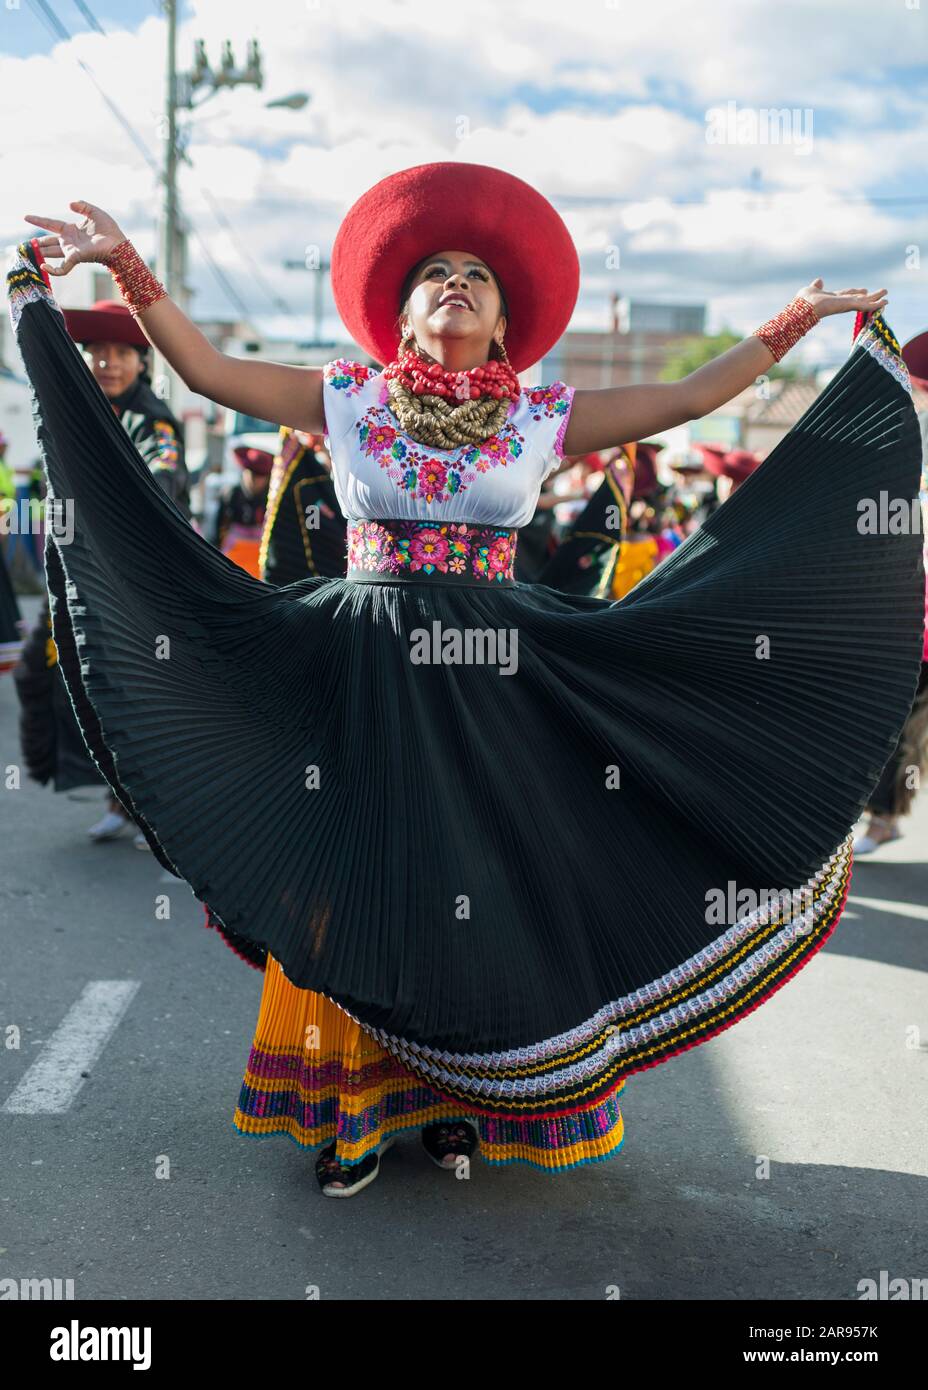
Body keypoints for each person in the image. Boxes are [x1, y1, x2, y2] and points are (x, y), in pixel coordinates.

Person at [11, 162, 923, 1198]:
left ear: (503, 324)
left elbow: (688, 396)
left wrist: (799, 317)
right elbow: (210, 370)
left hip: (494, 681)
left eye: (477, 275)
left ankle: (460, 1100)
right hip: (362, 674)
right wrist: (126, 265)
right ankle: (355, 1111)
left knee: (471, 883)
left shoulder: (542, 415)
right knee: (363, 876)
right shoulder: (345, 397)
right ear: (400, 316)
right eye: (434, 272)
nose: (455, 282)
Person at [12, 297, 191, 845]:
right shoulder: (83, 410)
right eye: (98, 352)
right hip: (82, 573)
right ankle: (119, 798)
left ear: (142, 361)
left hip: (139, 583)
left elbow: (162, 482)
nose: (109, 363)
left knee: (138, 697)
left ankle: (157, 813)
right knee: (59, 677)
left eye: (122, 353)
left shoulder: (152, 420)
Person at [207, 444, 272, 577]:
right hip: (233, 558)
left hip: (261, 557)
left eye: (260, 476)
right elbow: (215, 531)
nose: (255, 480)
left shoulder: (271, 498)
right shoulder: (230, 494)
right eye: (252, 474)